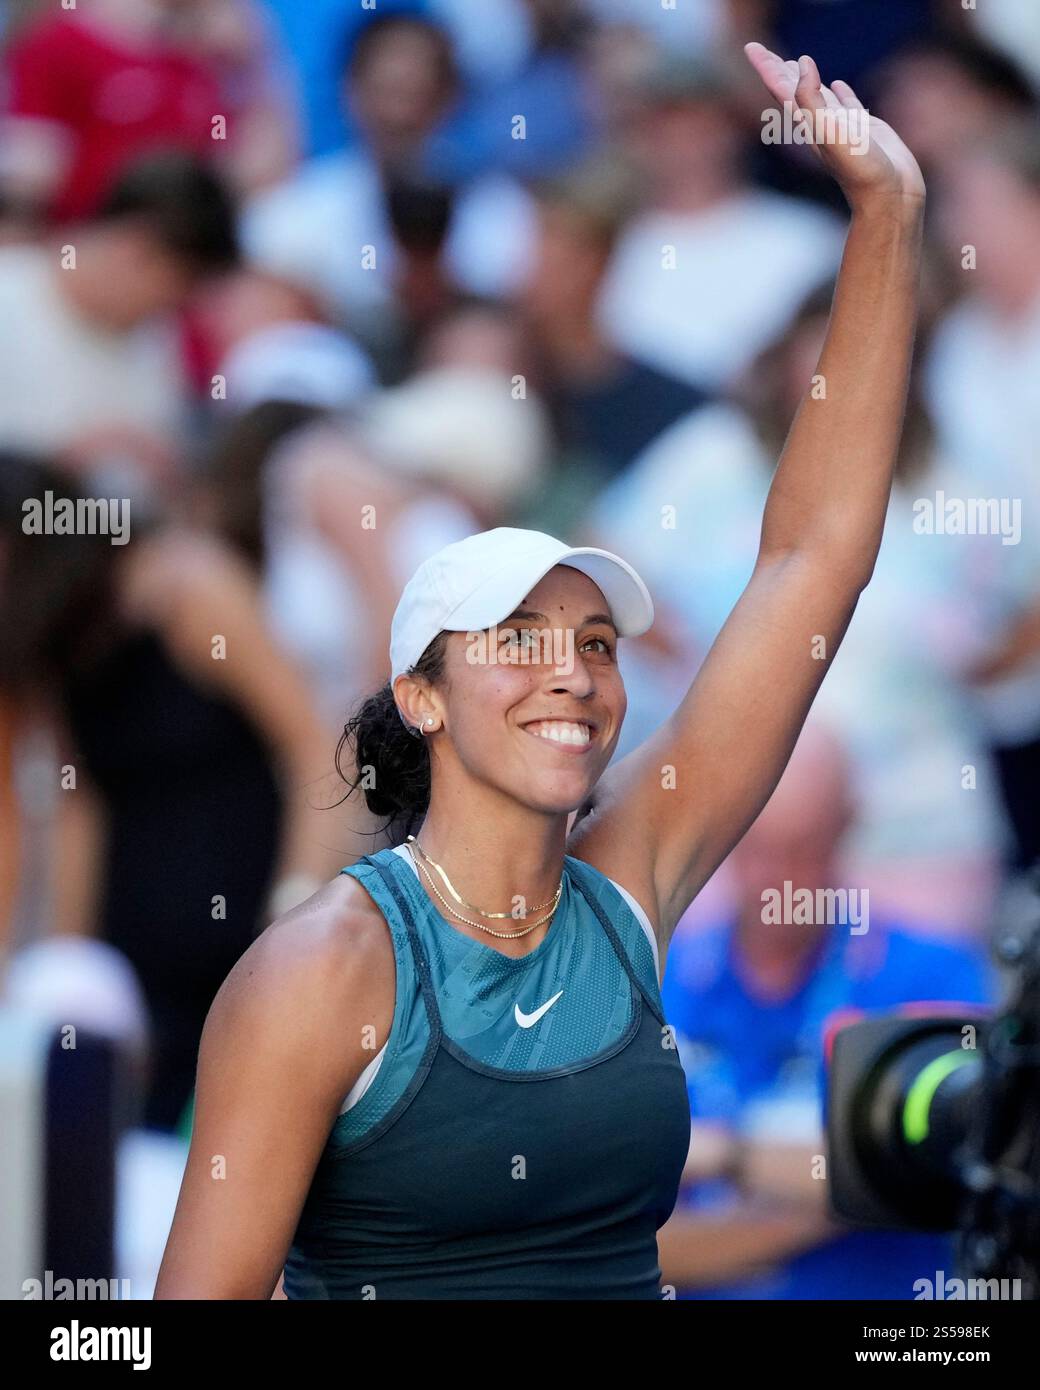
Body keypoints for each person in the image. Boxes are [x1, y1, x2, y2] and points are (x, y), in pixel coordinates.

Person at [155, 43, 928, 1299]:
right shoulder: (321, 969)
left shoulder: (629, 887)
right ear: (420, 693)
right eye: (514, 640)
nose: (567, 671)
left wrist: (887, 213)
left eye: (594, 643)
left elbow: (808, 564)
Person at [656, 722, 997, 1299]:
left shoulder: (930, 973)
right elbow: (615, 1236)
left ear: (847, 825)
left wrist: (729, 1156)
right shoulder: (658, 978)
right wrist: (830, 1192)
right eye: (757, 848)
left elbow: (940, 1166)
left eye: (803, 849)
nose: (777, 881)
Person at [0, 153, 237, 491]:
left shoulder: (156, 342)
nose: (167, 311)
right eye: (171, 292)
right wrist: (59, 462)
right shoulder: (7, 294)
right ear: (136, 248)